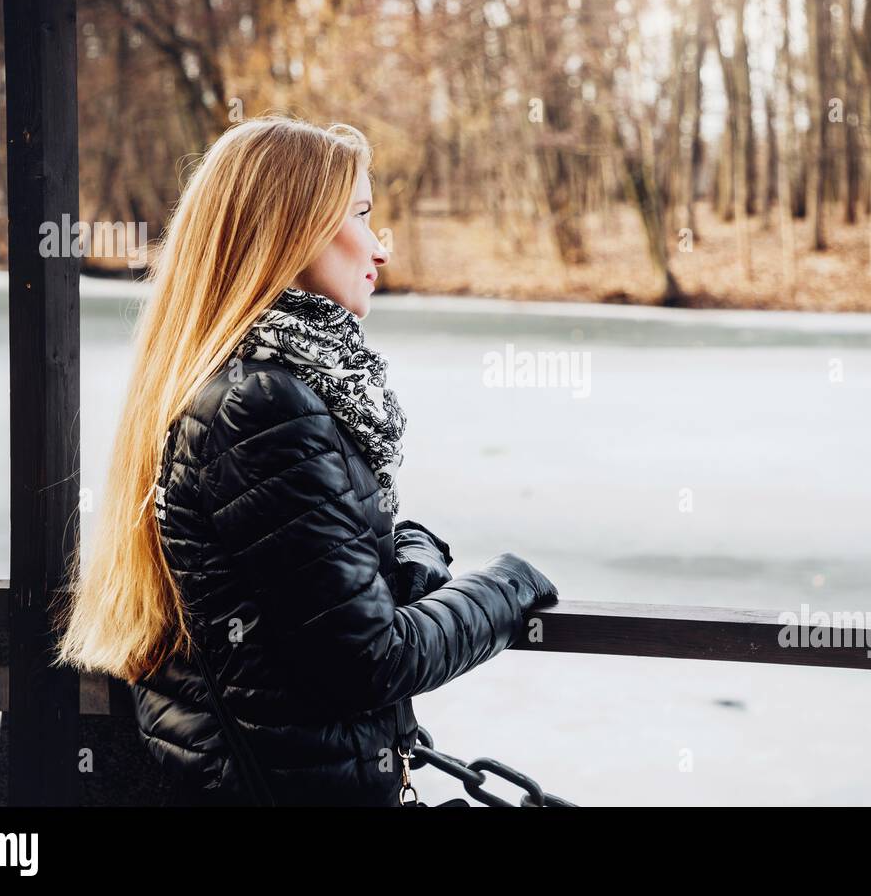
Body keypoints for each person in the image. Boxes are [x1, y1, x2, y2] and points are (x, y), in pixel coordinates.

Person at [53, 114, 559, 806]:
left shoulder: (240, 384)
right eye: (360, 215)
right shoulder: (261, 408)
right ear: (289, 233)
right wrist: (510, 586)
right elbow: (368, 662)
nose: (381, 249)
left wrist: (407, 554)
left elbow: (302, 605)